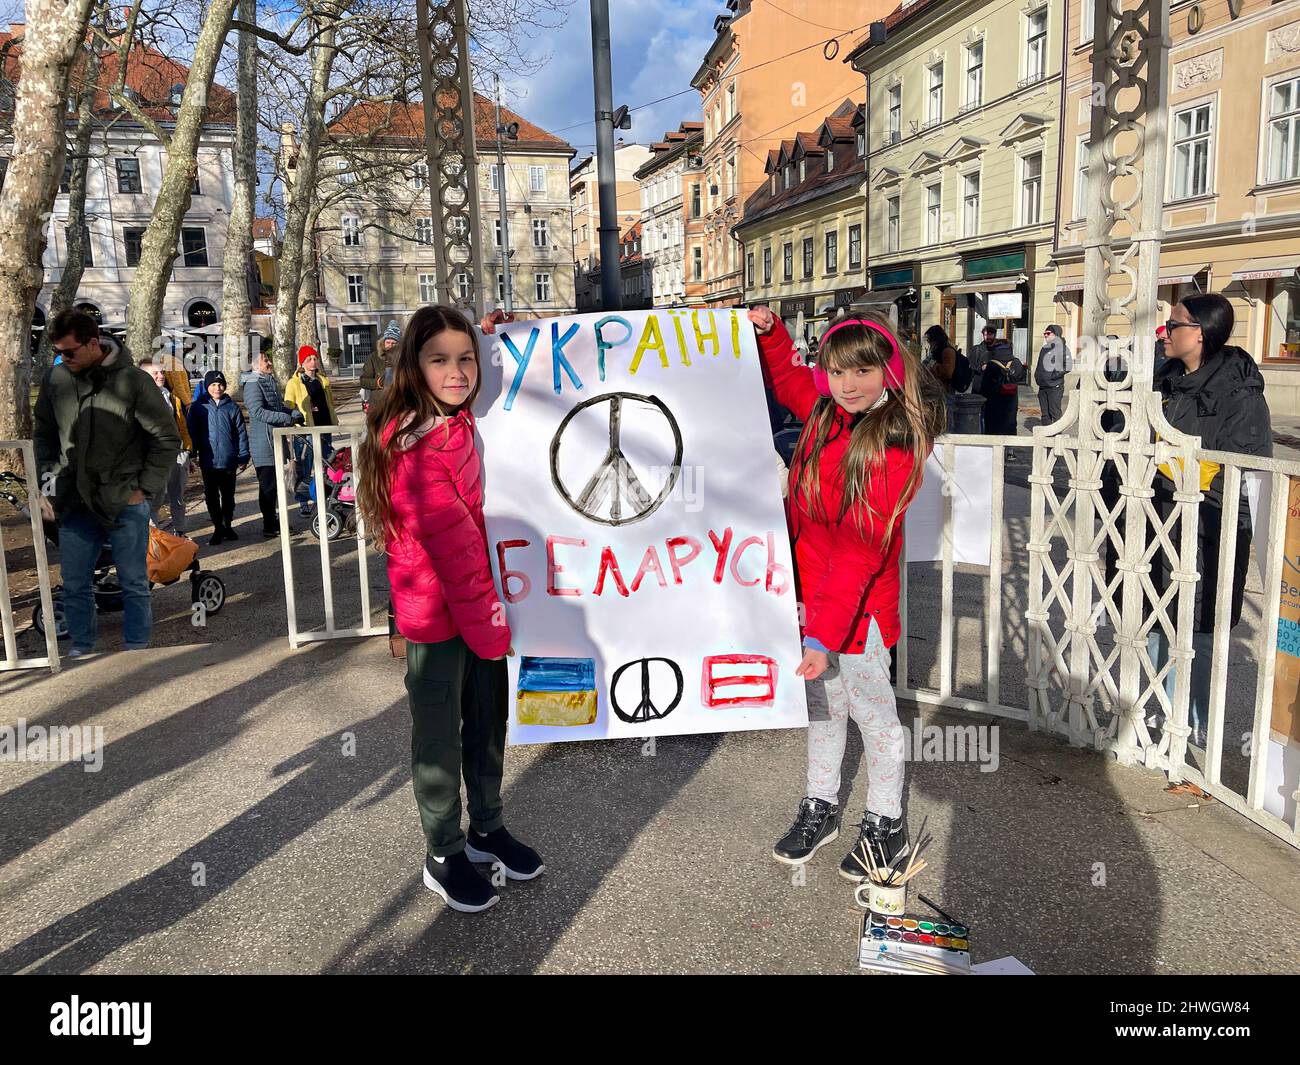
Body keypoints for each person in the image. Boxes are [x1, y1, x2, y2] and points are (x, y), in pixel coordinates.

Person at [357, 304, 541, 914]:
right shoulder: (412, 442)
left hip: (480, 608)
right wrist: (492, 630)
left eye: (466, 359)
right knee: (439, 739)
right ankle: (443, 851)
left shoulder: (454, 419)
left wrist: (507, 338)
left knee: (488, 723)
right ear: (414, 366)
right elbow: (456, 550)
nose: (457, 371)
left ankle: (487, 828)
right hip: (439, 619)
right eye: (440, 360)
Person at [751, 307, 946, 880]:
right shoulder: (823, 410)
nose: (849, 384)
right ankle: (822, 805)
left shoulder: (894, 444)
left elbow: (860, 551)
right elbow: (790, 380)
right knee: (822, 707)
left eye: (863, 370)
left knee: (874, 716)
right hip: (814, 597)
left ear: (888, 369)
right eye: (838, 372)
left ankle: (885, 822)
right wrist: (773, 335)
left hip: (857, 610)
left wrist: (822, 634)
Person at [1147, 294, 1272, 748]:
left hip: (1208, 528)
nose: (1165, 331)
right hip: (1158, 520)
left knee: (1198, 624)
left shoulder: (1240, 395)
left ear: (1199, 333)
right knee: (1157, 616)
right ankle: (1158, 717)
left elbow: (1246, 473)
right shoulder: (1165, 379)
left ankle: (1196, 732)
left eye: (1173, 324)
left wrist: (1182, 476)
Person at [33, 309, 180, 656]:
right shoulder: (56, 380)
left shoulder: (133, 381)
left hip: (124, 500)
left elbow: (165, 438)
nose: (63, 358)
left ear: (92, 342)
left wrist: (144, 489)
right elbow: (44, 435)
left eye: (69, 351)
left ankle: (138, 650)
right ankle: (83, 648)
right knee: (74, 584)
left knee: (133, 582)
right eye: (57, 352)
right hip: (73, 500)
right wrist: (49, 482)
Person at [242, 348, 304, 538]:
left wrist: (293, 413)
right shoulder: (253, 383)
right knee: (268, 487)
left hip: (276, 441)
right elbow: (257, 412)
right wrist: (286, 418)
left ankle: (277, 521)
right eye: (264, 360)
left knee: (276, 486)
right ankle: (269, 525)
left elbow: (277, 407)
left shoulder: (269, 381)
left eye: (268, 359)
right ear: (254, 366)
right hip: (264, 444)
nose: (269, 362)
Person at [187, 370, 250, 545]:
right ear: (207, 386)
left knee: (228, 497)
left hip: (228, 459)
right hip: (209, 461)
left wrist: (243, 455)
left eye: (220, 384)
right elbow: (193, 433)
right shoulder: (198, 407)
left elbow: (241, 433)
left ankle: (227, 524)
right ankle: (217, 526)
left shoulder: (232, 407)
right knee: (211, 496)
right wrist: (192, 455)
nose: (217, 388)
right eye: (213, 385)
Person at [139, 358, 193, 535]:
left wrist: (187, 450)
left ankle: (181, 532)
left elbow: (181, 424)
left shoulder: (171, 396)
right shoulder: (139, 400)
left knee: (178, 497)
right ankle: (155, 540)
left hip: (177, 453)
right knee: (154, 500)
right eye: (156, 373)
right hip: (155, 458)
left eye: (162, 372)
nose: (161, 375)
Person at [976, 327, 1021, 436]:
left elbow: (985, 386)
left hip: (994, 401)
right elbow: (1019, 377)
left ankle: (993, 451)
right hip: (1011, 400)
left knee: (993, 426)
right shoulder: (1016, 362)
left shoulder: (991, 364)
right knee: (1010, 424)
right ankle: (1010, 450)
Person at [1035, 324, 1072, 426]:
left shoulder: (1062, 348)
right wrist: (1037, 376)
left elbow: (1068, 366)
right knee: (1045, 414)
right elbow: (1039, 365)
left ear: (1055, 335)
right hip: (1042, 386)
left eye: (1048, 333)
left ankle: (1056, 436)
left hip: (1055, 387)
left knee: (1055, 412)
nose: (1045, 335)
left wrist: (1054, 375)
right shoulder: (1044, 348)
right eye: (1044, 333)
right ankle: (1046, 437)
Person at [922, 325, 958, 430]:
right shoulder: (936, 352)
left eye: (930, 340)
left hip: (945, 391)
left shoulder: (947, 351)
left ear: (936, 339)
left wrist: (934, 367)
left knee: (946, 421)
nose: (929, 343)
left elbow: (948, 372)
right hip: (936, 391)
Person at [361, 320, 401, 404]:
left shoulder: (404, 358)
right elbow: (363, 381)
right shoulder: (373, 358)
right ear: (383, 343)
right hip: (378, 404)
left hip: (399, 404)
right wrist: (378, 382)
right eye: (388, 342)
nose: (390, 346)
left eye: (394, 343)